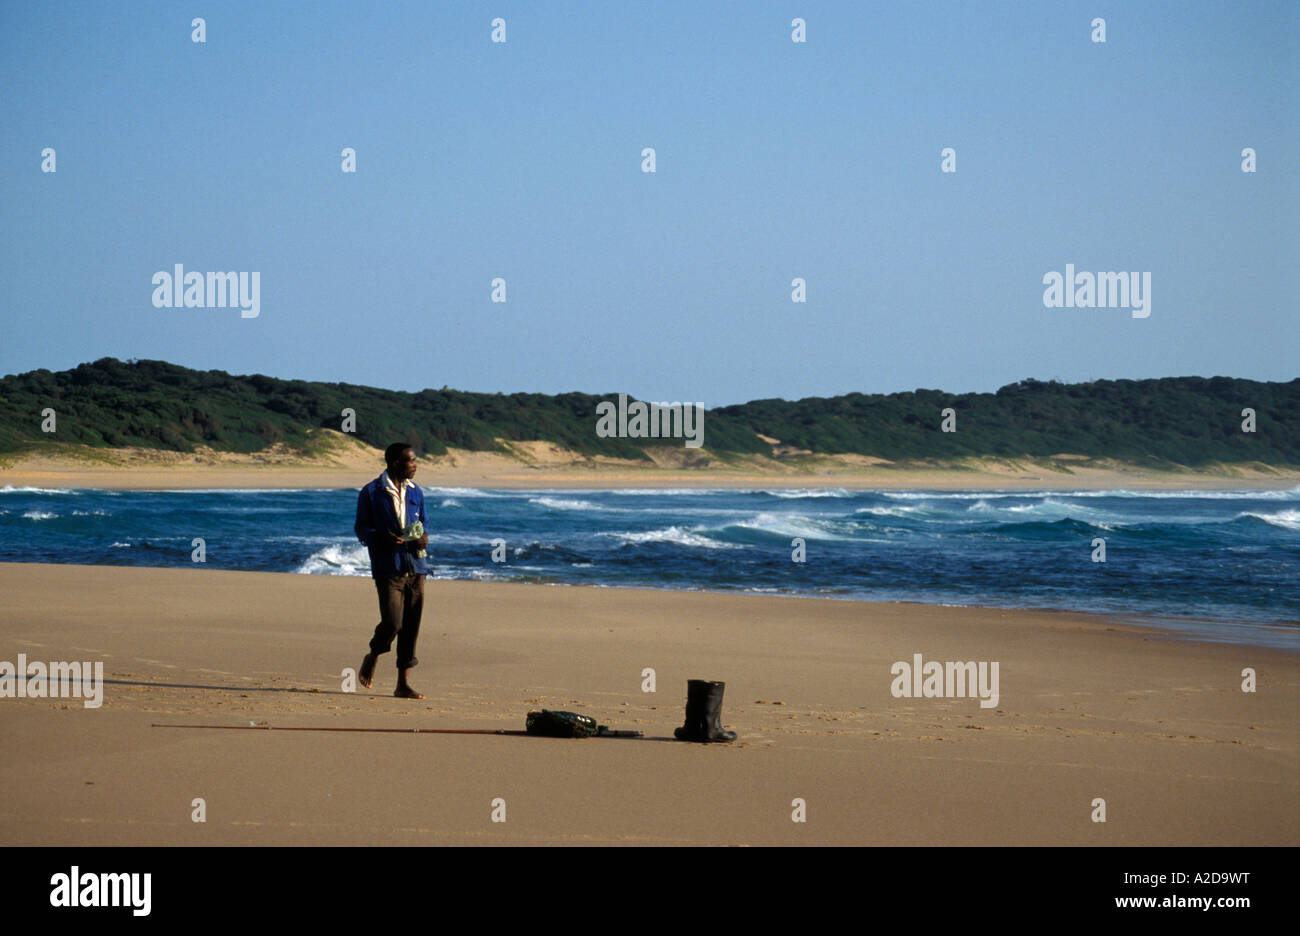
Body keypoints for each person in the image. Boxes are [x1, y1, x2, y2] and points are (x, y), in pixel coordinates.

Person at [354, 443, 430, 699]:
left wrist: (423, 539)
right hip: (388, 569)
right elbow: (361, 529)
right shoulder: (371, 493)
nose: (415, 464)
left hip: (416, 569)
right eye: (411, 460)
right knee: (392, 623)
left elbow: (423, 524)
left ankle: (402, 684)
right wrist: (380, 538)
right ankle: (374, 653)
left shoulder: (416, 491)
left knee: (411, 627)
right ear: (395, 462)